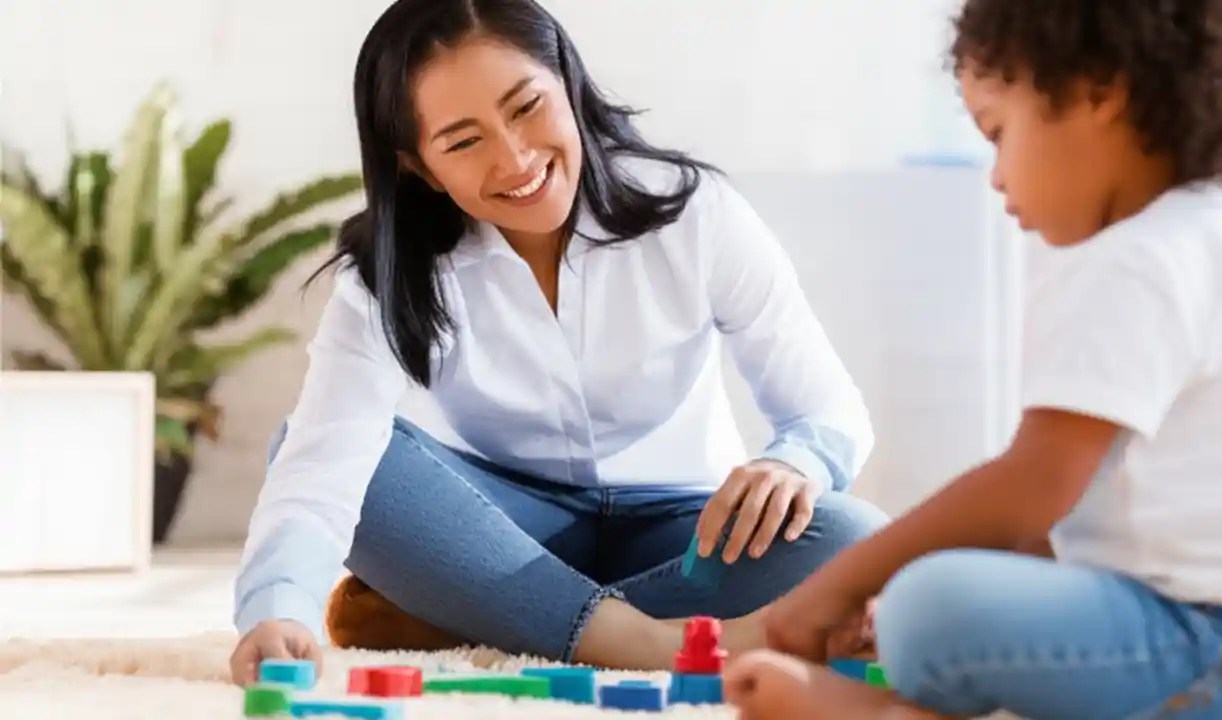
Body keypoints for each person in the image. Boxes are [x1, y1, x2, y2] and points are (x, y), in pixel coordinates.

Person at [228, 0, 887, 686]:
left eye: (526, 107)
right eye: (462, 141)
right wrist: (278, 609)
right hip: (506, 527)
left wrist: (793, 464)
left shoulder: (694, 214)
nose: (515, 159)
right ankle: (639, 642)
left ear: (567, 82)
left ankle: (475, 613)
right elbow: (322, 464)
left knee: (852, 537)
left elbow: (828, 411)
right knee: (328, 458)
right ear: (420, 166)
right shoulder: (386, 279)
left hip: (685, 532)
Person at [725, 0, 1222, 718]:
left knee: (932, 609)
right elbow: (1072, 520)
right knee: (937, 601)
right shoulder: (1207, 228)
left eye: (998, 132)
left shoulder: (1141, 257)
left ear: (1097, 91)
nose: (994, 177)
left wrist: (834, 588)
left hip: (1219, 656)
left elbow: (1034, 482)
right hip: (1220, 647)